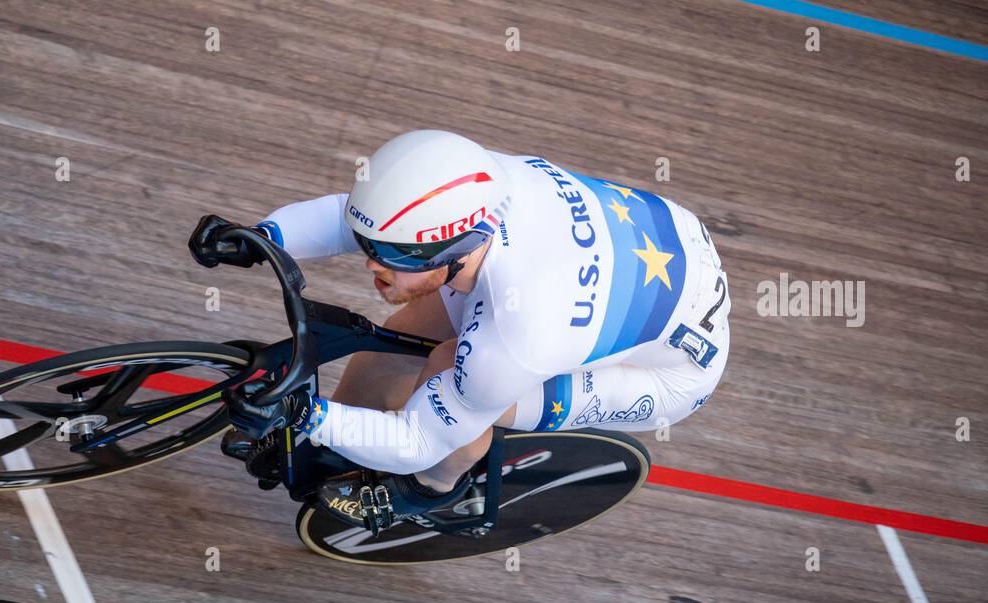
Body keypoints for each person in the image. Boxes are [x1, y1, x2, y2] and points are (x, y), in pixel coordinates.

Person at [189, 129, 730, 532]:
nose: (371, 267)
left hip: (667, 372)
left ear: (454, 250)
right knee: (392, 343)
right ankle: (335, 450)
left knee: (452, 370)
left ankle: (431, 490)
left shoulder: (528, 329)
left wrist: (307, 415)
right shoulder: (465, 182)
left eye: (394, 259)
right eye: (372, 248)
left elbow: (420, 437)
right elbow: (357, 221)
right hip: (649, 252)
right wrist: (263, 234)